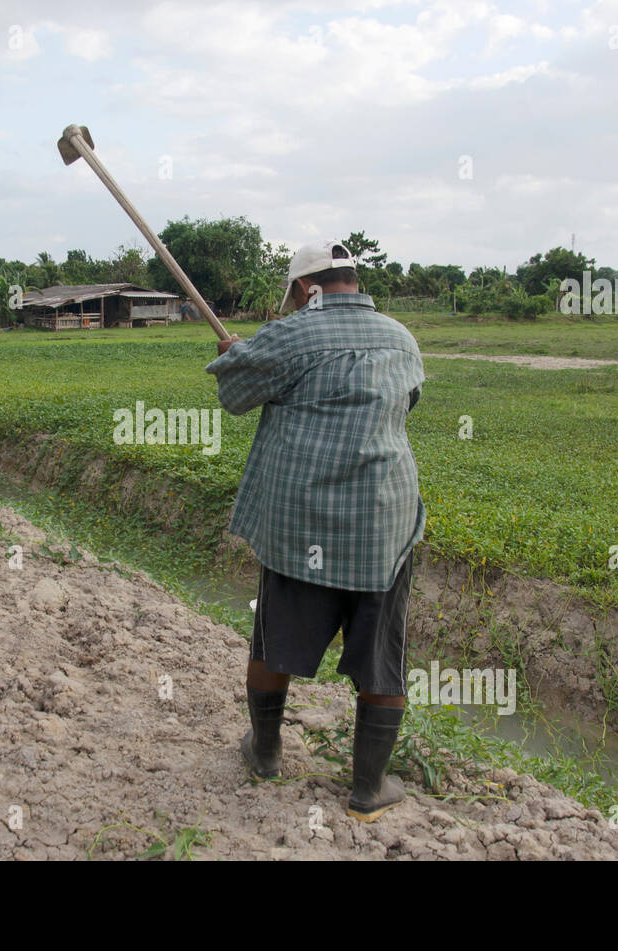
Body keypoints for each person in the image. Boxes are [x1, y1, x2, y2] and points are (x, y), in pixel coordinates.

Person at [205, 239, 425, 821]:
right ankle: (368, 789)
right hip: (384, 522)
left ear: (307, 289)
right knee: (383, 655)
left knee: (273, 638)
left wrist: (237, 355)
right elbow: (407, 406)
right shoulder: (402, 338)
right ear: (352, 280)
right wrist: (246, 356)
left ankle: (267, 752)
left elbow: (236, 396)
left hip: (303, 527)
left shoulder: (291, 334)